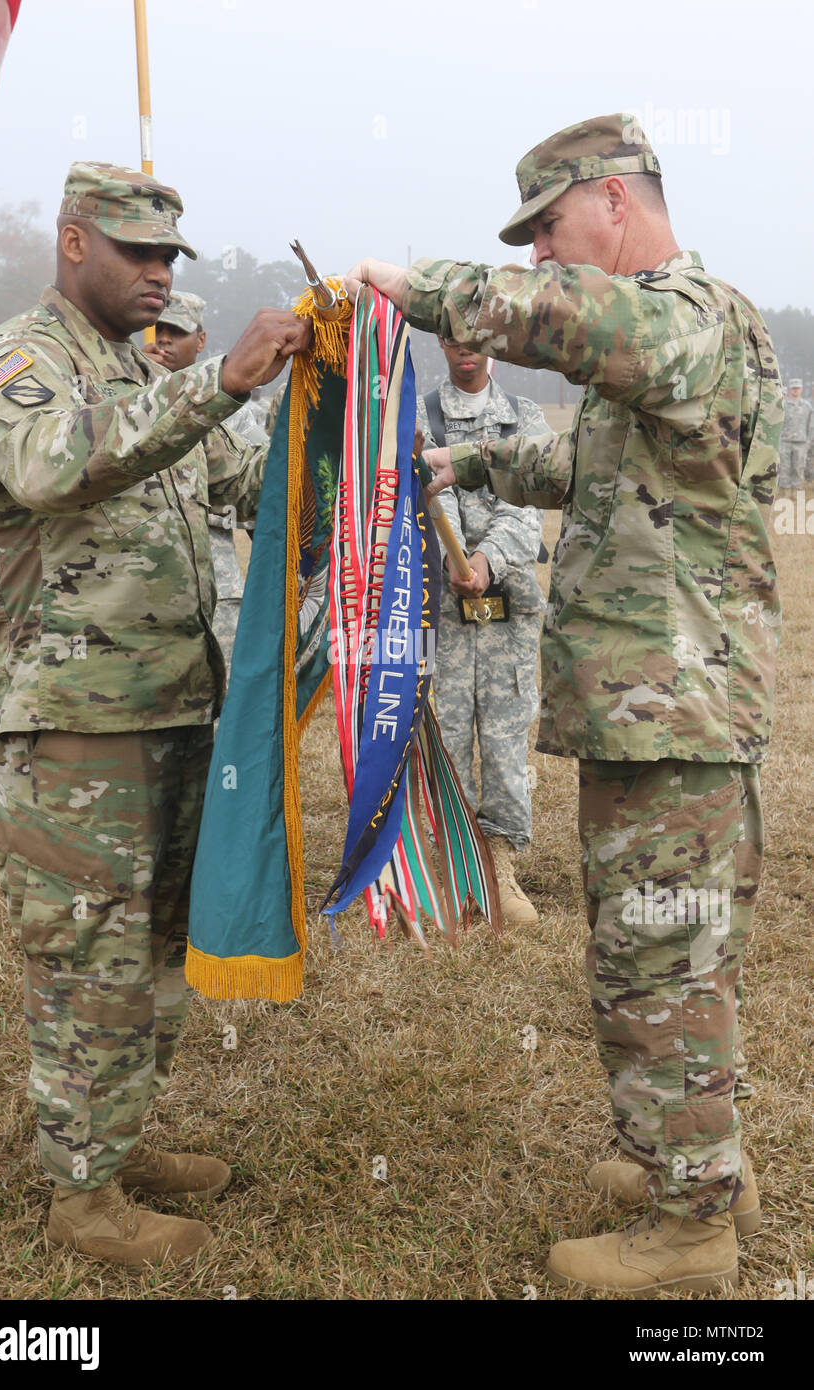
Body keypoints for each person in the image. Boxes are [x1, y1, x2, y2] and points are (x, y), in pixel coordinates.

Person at [345, 111, 782, 1296]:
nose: (541, 257)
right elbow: (585, 463)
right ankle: (679, 1157)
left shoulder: (689, 317)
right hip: (647, 713)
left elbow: (569, 324)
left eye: (544, 230)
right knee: (652, 946)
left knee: (665, 959)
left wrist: (422, 287)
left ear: (612, 203)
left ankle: (693, 1227)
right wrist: (463, 465)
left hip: (677, 716)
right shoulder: (659, 350)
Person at [0, 161, 310, 1268]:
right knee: (86, 964)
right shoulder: (20, 361)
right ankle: (82, 1199)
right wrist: (224, 381)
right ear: (72, 245)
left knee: (152, 953)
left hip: (167, 717)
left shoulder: (136, 374)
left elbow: (247, 485)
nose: (159, 274)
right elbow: (56, 466)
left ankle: (110, 1143)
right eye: (136, 252)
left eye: (170, 257)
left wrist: (341, 416)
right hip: (73, 734)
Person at [416, 340, 546, 926]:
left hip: (505, 609)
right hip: (439, 612)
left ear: (494, 345)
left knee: (503, 737)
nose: (465, 353)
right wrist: (445, 559)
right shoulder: (419, 417)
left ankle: (500, 864)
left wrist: (487, 559)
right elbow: (403, 500)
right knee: (442, 734)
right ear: (442, 343)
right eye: (454, 341)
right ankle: (453, 863)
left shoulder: (525, 418)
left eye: (477, 342)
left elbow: (529, 506)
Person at [143, 289, 252, 672]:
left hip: (216, 586)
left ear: (201, 340)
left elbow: (257, 492)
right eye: (157, 331)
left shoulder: (232, 407)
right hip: (139, 589)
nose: (165, 340)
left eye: (177, 332)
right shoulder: (125, 397)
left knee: (221, 702)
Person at [778, 378, 813, 489]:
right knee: (784, 468)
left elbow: (811, 426)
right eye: (793, 388)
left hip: (801, 442)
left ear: (801, 389)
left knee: (798, 468)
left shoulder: (807, 407)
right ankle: (784, 494)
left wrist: (808, 441)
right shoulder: (783, 405)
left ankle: (796, 494)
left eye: (797, 388)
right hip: (784, 441)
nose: (795, 391)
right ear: (789, 389)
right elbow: (777, 423)